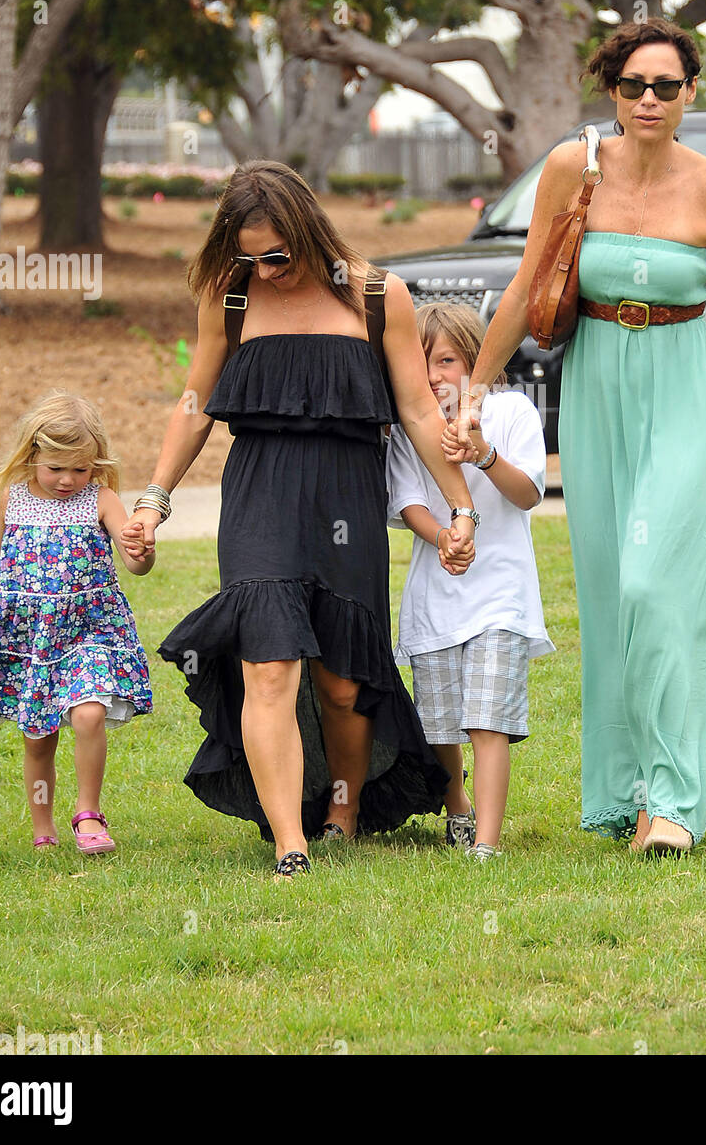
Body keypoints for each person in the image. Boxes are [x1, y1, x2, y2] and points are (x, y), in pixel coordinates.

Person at [449, 17, 706, 856]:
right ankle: (631, 794)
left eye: (665, 86)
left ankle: (674, 800)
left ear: (690, 93)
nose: (648, 99)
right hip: (595, 386)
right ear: (612, 89)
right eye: (633, 85)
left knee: (653, 585)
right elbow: (528, 286)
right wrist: (476, 390)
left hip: (682, 388)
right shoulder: (573, 166)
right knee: (608, 597)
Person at [121, 160, 478, 880]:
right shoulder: (229, 298)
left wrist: (460, 504)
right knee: (269, 664)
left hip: (345, 498)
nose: (266, 270)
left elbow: (413, 410)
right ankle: (291, 840)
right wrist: (153, 498)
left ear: (310, 231)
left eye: (277, 255)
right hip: (258, 498)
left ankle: (342, 813)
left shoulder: (379, 297)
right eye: (249, 256)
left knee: (343, 682)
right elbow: (194, 406)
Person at [0, 391, 153, 854]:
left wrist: (143, 551)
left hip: (90, 630)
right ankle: (44, 830)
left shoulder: (102, 499)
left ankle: (88, 814)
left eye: (80, 469)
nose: (67, 479)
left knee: (89, 712)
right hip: (29, 637)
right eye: (55, 467)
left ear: (95, 464)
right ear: (32, 454)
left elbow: (134, 563)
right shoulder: (11, 499)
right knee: (39, 738)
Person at [387, 303, 553, 862]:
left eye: (448, 361)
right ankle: (456, 804)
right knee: (441, 724)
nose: (435, 377)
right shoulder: (413, 426)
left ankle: (486, 839)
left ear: (478, 360)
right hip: (436, 597)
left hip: (500, 597)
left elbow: (529, 492)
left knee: (488, 720)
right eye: (422, 364)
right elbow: (408, 502)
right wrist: (442, 538)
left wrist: (483, 453)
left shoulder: (510, 411)